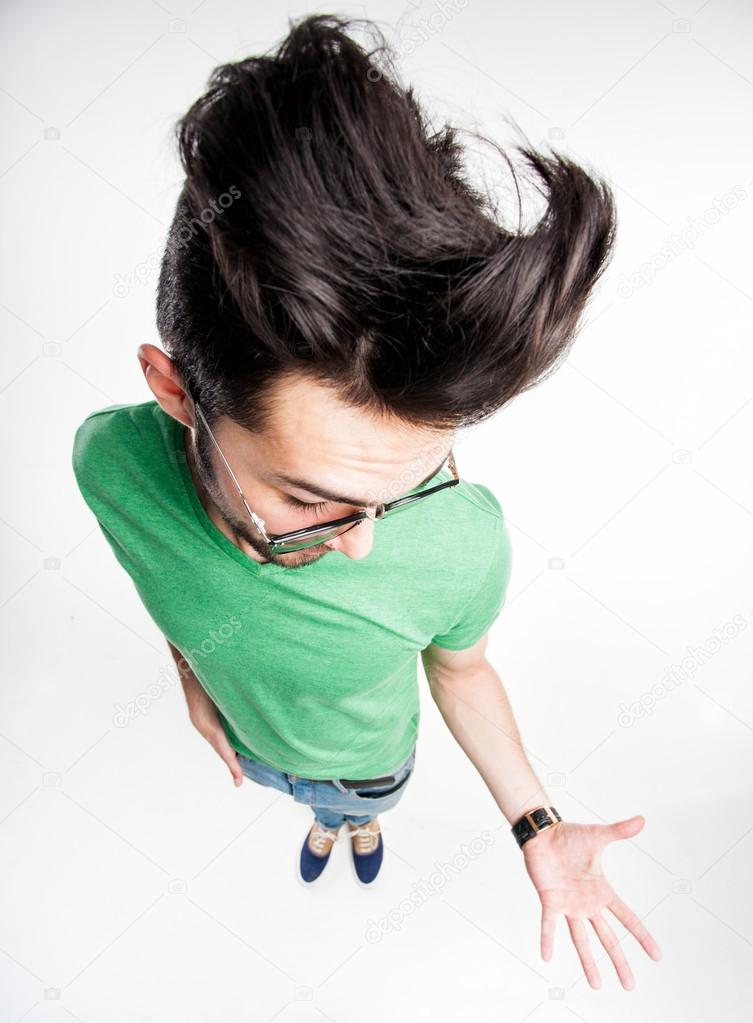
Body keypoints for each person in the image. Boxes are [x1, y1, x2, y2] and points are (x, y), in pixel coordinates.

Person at [71, 12, 661, 987]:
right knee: (306, 797)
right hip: (252, 749)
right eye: (312, 499)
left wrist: (537, 826)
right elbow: (155, 563)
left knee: (355, 801)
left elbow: (462, 675)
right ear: (176, 395)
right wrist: (190, 672)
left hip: (373, 756)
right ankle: (319, 814)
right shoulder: (110, 463)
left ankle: (355, 821)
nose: (361, 548)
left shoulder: (464, 544)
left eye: (405, 488)